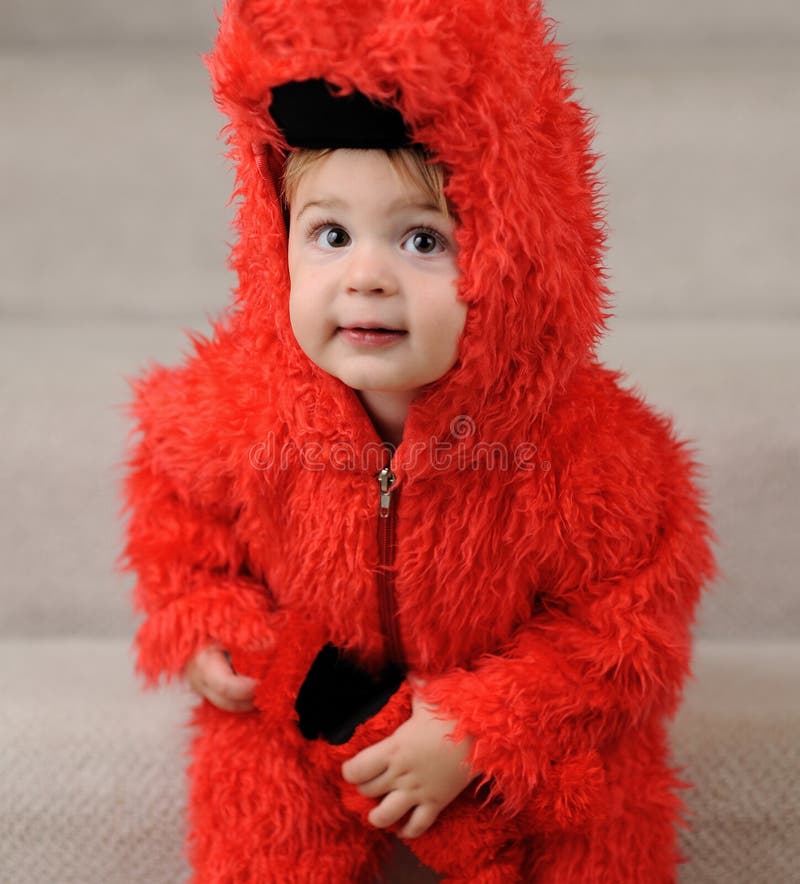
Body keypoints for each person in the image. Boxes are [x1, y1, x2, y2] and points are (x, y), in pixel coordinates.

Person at [116, 0, 719, 881]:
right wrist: (203, 619)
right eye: (329, 233)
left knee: (602, 801)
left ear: (516, 256)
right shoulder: (239, 409)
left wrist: (475, 729)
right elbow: (175, 517)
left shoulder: (589, 454)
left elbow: (631, 628)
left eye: (423, 238)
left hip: (499, 712)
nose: (366, 276)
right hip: (318, 706)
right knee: (254, 788)